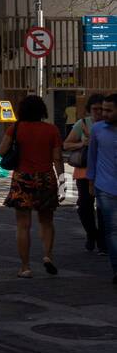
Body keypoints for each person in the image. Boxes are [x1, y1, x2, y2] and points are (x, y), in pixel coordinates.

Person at [0, 94, 63, 279]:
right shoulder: (52, 130)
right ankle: (47, 256)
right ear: (42, 111)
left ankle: (25, 267)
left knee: (23, 225)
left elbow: (2, 151)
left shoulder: (15, 129)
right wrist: (62, 181)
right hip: (46, 178)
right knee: (46, 221)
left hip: (23, 179)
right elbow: (57, 158)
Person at [64, 93, 106, 252]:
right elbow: (66, 144)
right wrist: (83, 143)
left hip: (105, 172)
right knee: (84, 206)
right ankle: (92, 234)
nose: (99, 113)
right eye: (95, 109)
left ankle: (102, 241)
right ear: (89, 110)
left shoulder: (111, 125)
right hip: (84, 171)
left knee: (103, 208)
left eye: (102, 109)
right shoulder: (82, 124)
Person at [89, 94, 117, 286]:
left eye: (108, 110)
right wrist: (91, 181)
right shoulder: (97, 129)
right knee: (113, 230)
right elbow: (92, 157)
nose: (103, 113)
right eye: (102, 109)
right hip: (105, 187)